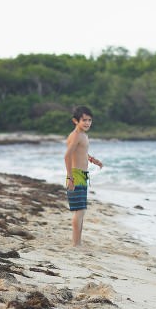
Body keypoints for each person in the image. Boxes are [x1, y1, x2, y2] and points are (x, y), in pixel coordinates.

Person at [64, 105, 103, 247]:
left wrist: (92, 159)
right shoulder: (75, 136)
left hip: (82, 175)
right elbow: (67, 156)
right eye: (84, 120)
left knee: (82, 211)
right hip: (76, 175)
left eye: (89, 120)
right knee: (79, 212)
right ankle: (76, 244)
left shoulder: (83, 136)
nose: (87, 123)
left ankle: (78, 242)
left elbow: (80, 152)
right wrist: (70, 177)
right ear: (75, 121)